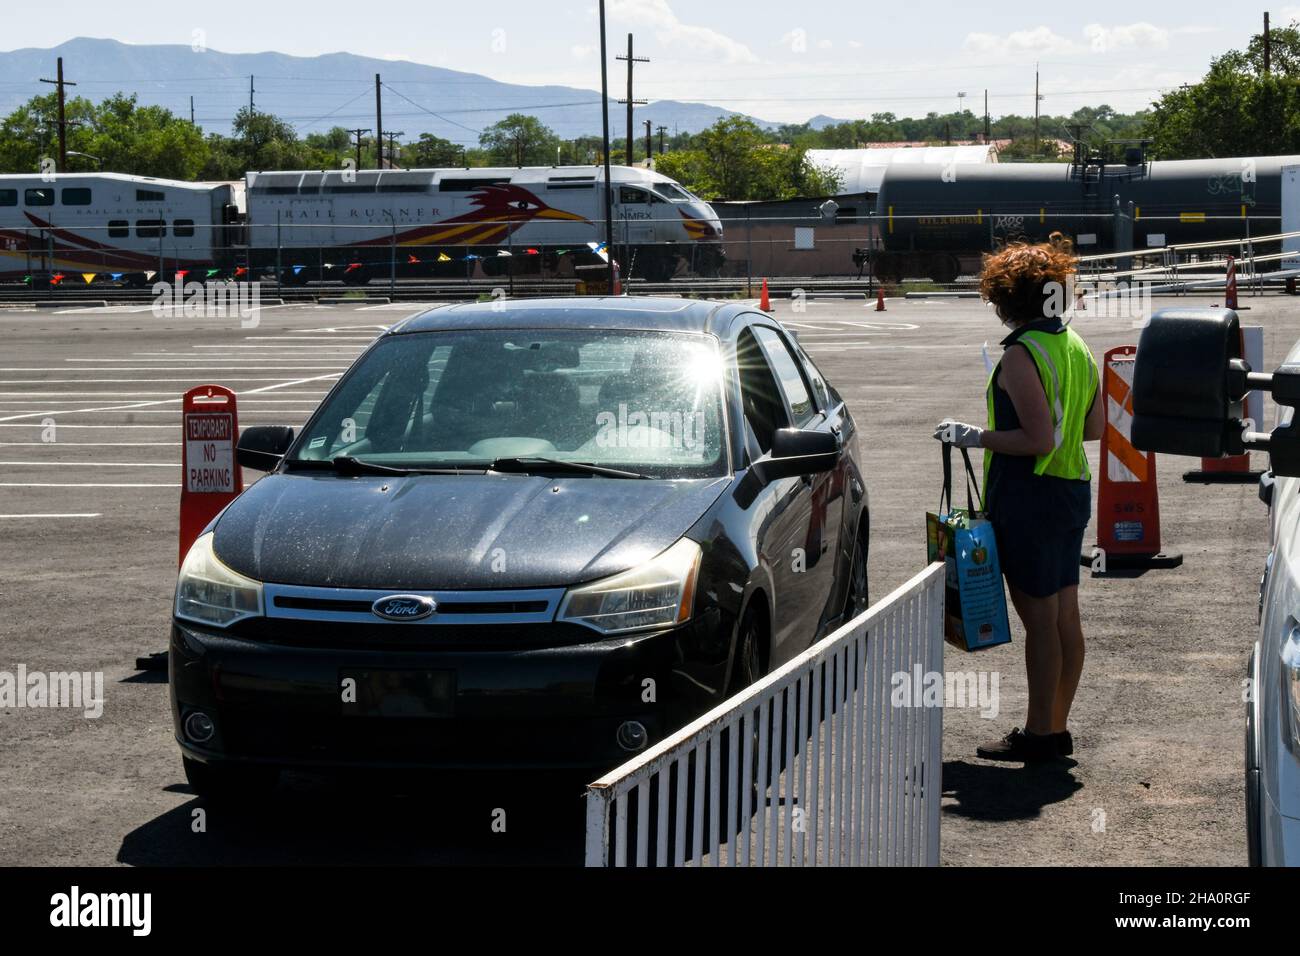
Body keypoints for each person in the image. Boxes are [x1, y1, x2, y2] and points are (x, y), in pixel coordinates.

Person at [934, 236, 1104, 762]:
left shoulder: (1020, 355)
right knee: (1064, 620)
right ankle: (1056, 726)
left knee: (1039, 623)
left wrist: (973, 436)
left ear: (1007, 301)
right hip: (1071, 492)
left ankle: (1039, 736)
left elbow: (1036, 441)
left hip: (1029, 499)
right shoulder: (1076, 347)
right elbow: (1093, 428)